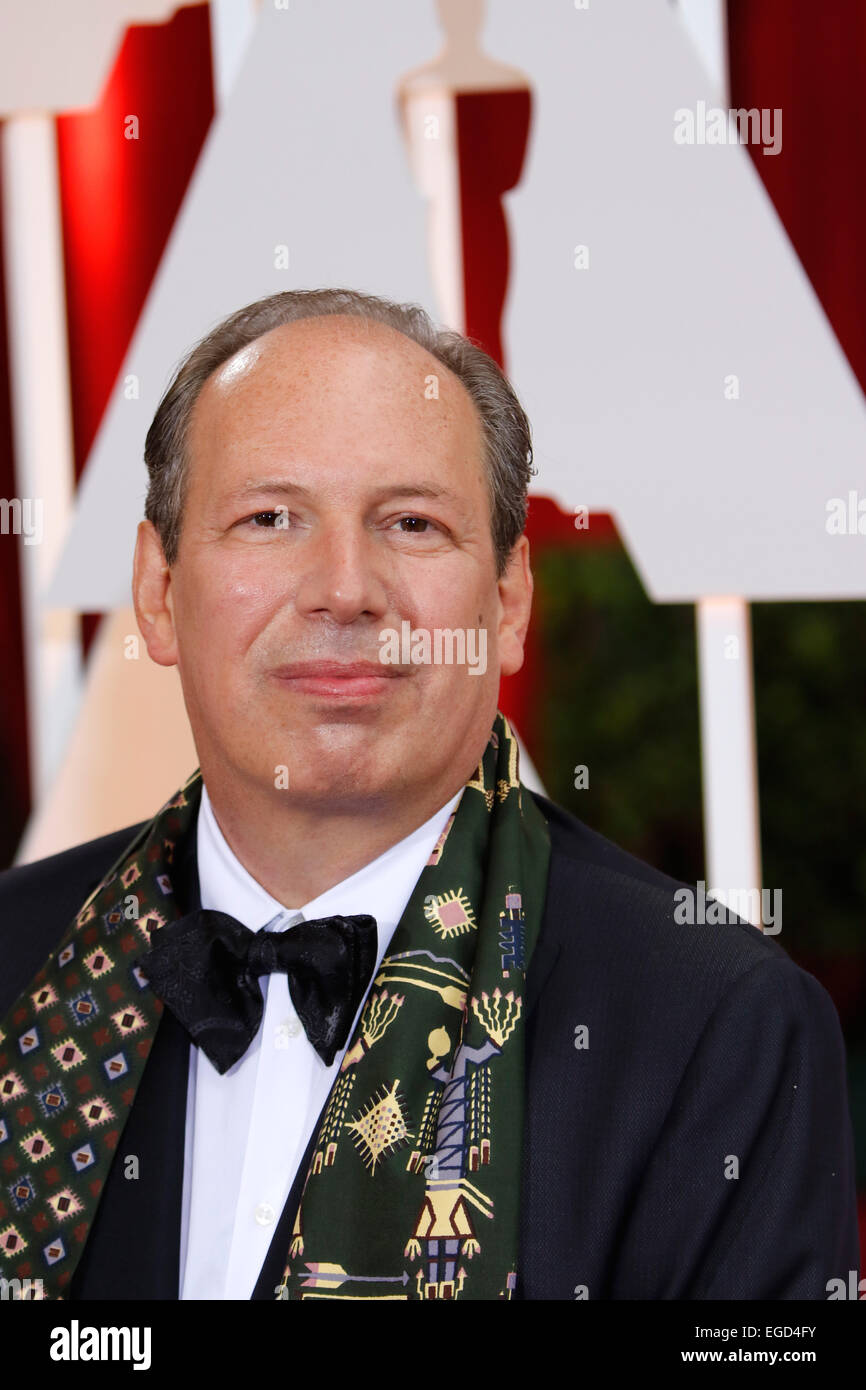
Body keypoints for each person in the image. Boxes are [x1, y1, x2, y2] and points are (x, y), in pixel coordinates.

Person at [0, 288, 858, 1301]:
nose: (344, 587)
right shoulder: (19, 958)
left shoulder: (719, 1028)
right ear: (157, 592)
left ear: (505, 603)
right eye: (269, 517)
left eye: (411, 522)